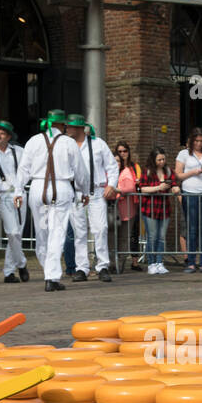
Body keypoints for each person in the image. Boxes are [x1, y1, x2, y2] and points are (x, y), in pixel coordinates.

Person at [15, 109, 88, 291]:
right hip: (61, 187)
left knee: (42, 233)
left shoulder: (33, 141)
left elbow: (23, 168)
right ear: (62, 125)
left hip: (37, 187)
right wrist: (84, 190)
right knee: (57, 232)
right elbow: (80, 171)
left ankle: (49, 270)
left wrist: (18, 190)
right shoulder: (69, 143)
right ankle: (51, 276)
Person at [65, 114, 118, 282]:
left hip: (96, 192)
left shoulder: (98, 144)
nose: (67, 129)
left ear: (80, 128)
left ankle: (102, 266)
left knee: (100, 228)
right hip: (76, 193)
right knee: (79, 231)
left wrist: (111, 185)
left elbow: (112, 166)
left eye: (70, 127)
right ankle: (82, 268)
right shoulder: (66, 146)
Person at [0, 120, 28, 283]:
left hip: (19, 194)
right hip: (2, 195)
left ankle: (9, 272)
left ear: (9, 137)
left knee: (17, 234)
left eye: (2, 133)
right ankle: (22, 263)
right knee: (12, 232)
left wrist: (19, 191)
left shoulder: (19, 151)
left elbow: (26, 171)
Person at [175, 126, 202, 273]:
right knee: (191, 229)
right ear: (192, 141)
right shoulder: (183, 154)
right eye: (196, 141)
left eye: (201, 141)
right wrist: (194, 171)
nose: (199, 144)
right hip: (189, 193)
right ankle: (191, 262)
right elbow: (178, 175)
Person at [139, 147, 176, 274]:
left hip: (164, 208)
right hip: (150, 208)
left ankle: (160, 262)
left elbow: (174, 184)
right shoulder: (148, 172)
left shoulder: (169, 171)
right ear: (153, 160)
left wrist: (175, 189)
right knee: (152, 236)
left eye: (163, 159)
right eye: (159, 159)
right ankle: (151, 263)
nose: (162, 162)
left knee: (161, 237)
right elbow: (142, 188)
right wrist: (158, 187)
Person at [112, 141, 144, 271]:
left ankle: (131, 262)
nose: (123, 154)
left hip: (131, 204)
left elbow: (138, 183)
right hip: (114, 207)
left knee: (131, 234)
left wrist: (136, 183)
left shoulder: (134, 167)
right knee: (113, 236)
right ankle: (111, 263)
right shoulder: (112, 167)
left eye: (125, 151)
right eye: (120, 151)